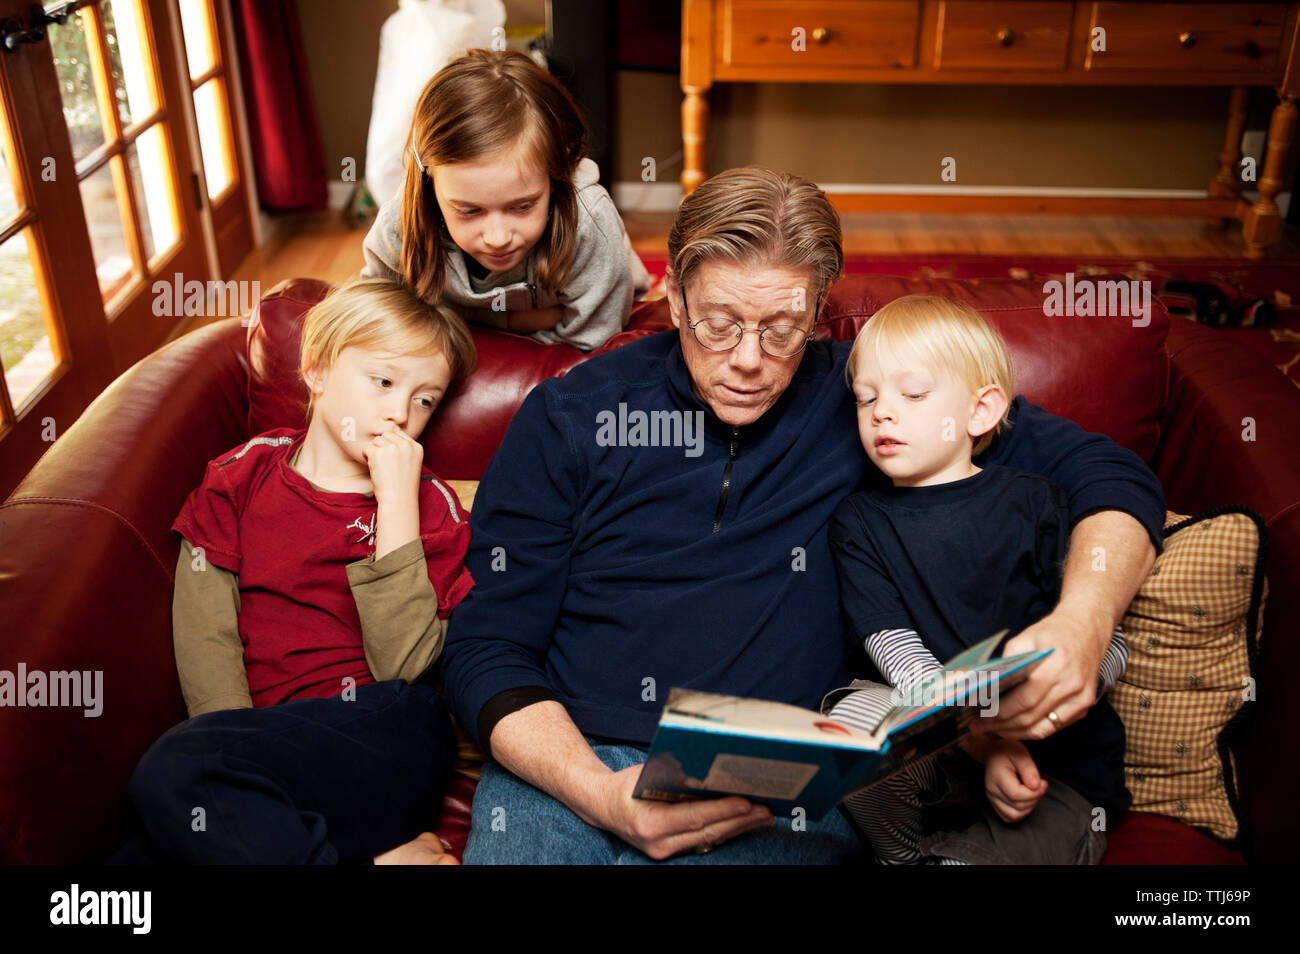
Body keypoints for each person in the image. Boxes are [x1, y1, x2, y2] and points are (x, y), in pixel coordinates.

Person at [439, 166, 1166, 865]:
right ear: (674, 300)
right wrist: (597, 792)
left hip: (763, 782)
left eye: (782, 327)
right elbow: (486, 648)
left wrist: (1084, 620)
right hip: (570, 763)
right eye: (718, 323)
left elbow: (1111, 478)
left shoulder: (875, 402)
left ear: (818, 311)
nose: (748, 360)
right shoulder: (572, 416)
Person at [114, 279, 476, 864]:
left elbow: (405, 666)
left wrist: (397, 505)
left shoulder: (431, 508)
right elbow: (206, 632)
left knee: (176, 771)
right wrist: (227, 746)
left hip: (388, 736)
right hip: (265, 754)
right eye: (383, 381)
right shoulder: (239, 476)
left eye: (425, 399)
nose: (400, 413)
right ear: (318, 370)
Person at [823, 295, 1131, 865]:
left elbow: (1107, 644)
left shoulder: (1036, 503)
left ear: (981, 411)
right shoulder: (858, 520)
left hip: (1050, 766)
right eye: (866, 399)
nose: (881, 413)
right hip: (940, 742)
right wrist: (976, 736)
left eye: (912, 395)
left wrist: (1039, 707)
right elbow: (895, 650)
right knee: (851, 723)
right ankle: (907, 857)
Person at [361, 48, 650, 352]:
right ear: (429, 182)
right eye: (469, 210)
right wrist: (512, 323)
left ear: (557, 176)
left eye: (523, 206)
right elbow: (379, 317)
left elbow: (591, 345)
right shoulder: (400, 223)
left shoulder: (590, 222)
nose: (498, 238)